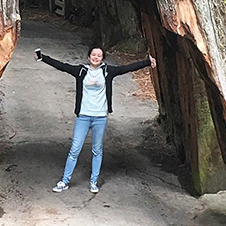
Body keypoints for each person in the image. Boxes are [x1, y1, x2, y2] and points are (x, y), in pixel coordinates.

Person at [35, 45, 156, 193]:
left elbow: (127, 68)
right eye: (93, 55)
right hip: (83, 116)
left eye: (99, 55)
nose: (96, 57)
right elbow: (62, 66)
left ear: (102, 58)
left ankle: (94, 182)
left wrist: (147, 62)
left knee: (97, 150)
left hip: (100, 117)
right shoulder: (81, 71)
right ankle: (64, 181)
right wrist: (43, 58)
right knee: (74, 149)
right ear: (89, 57)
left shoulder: (108, 71)